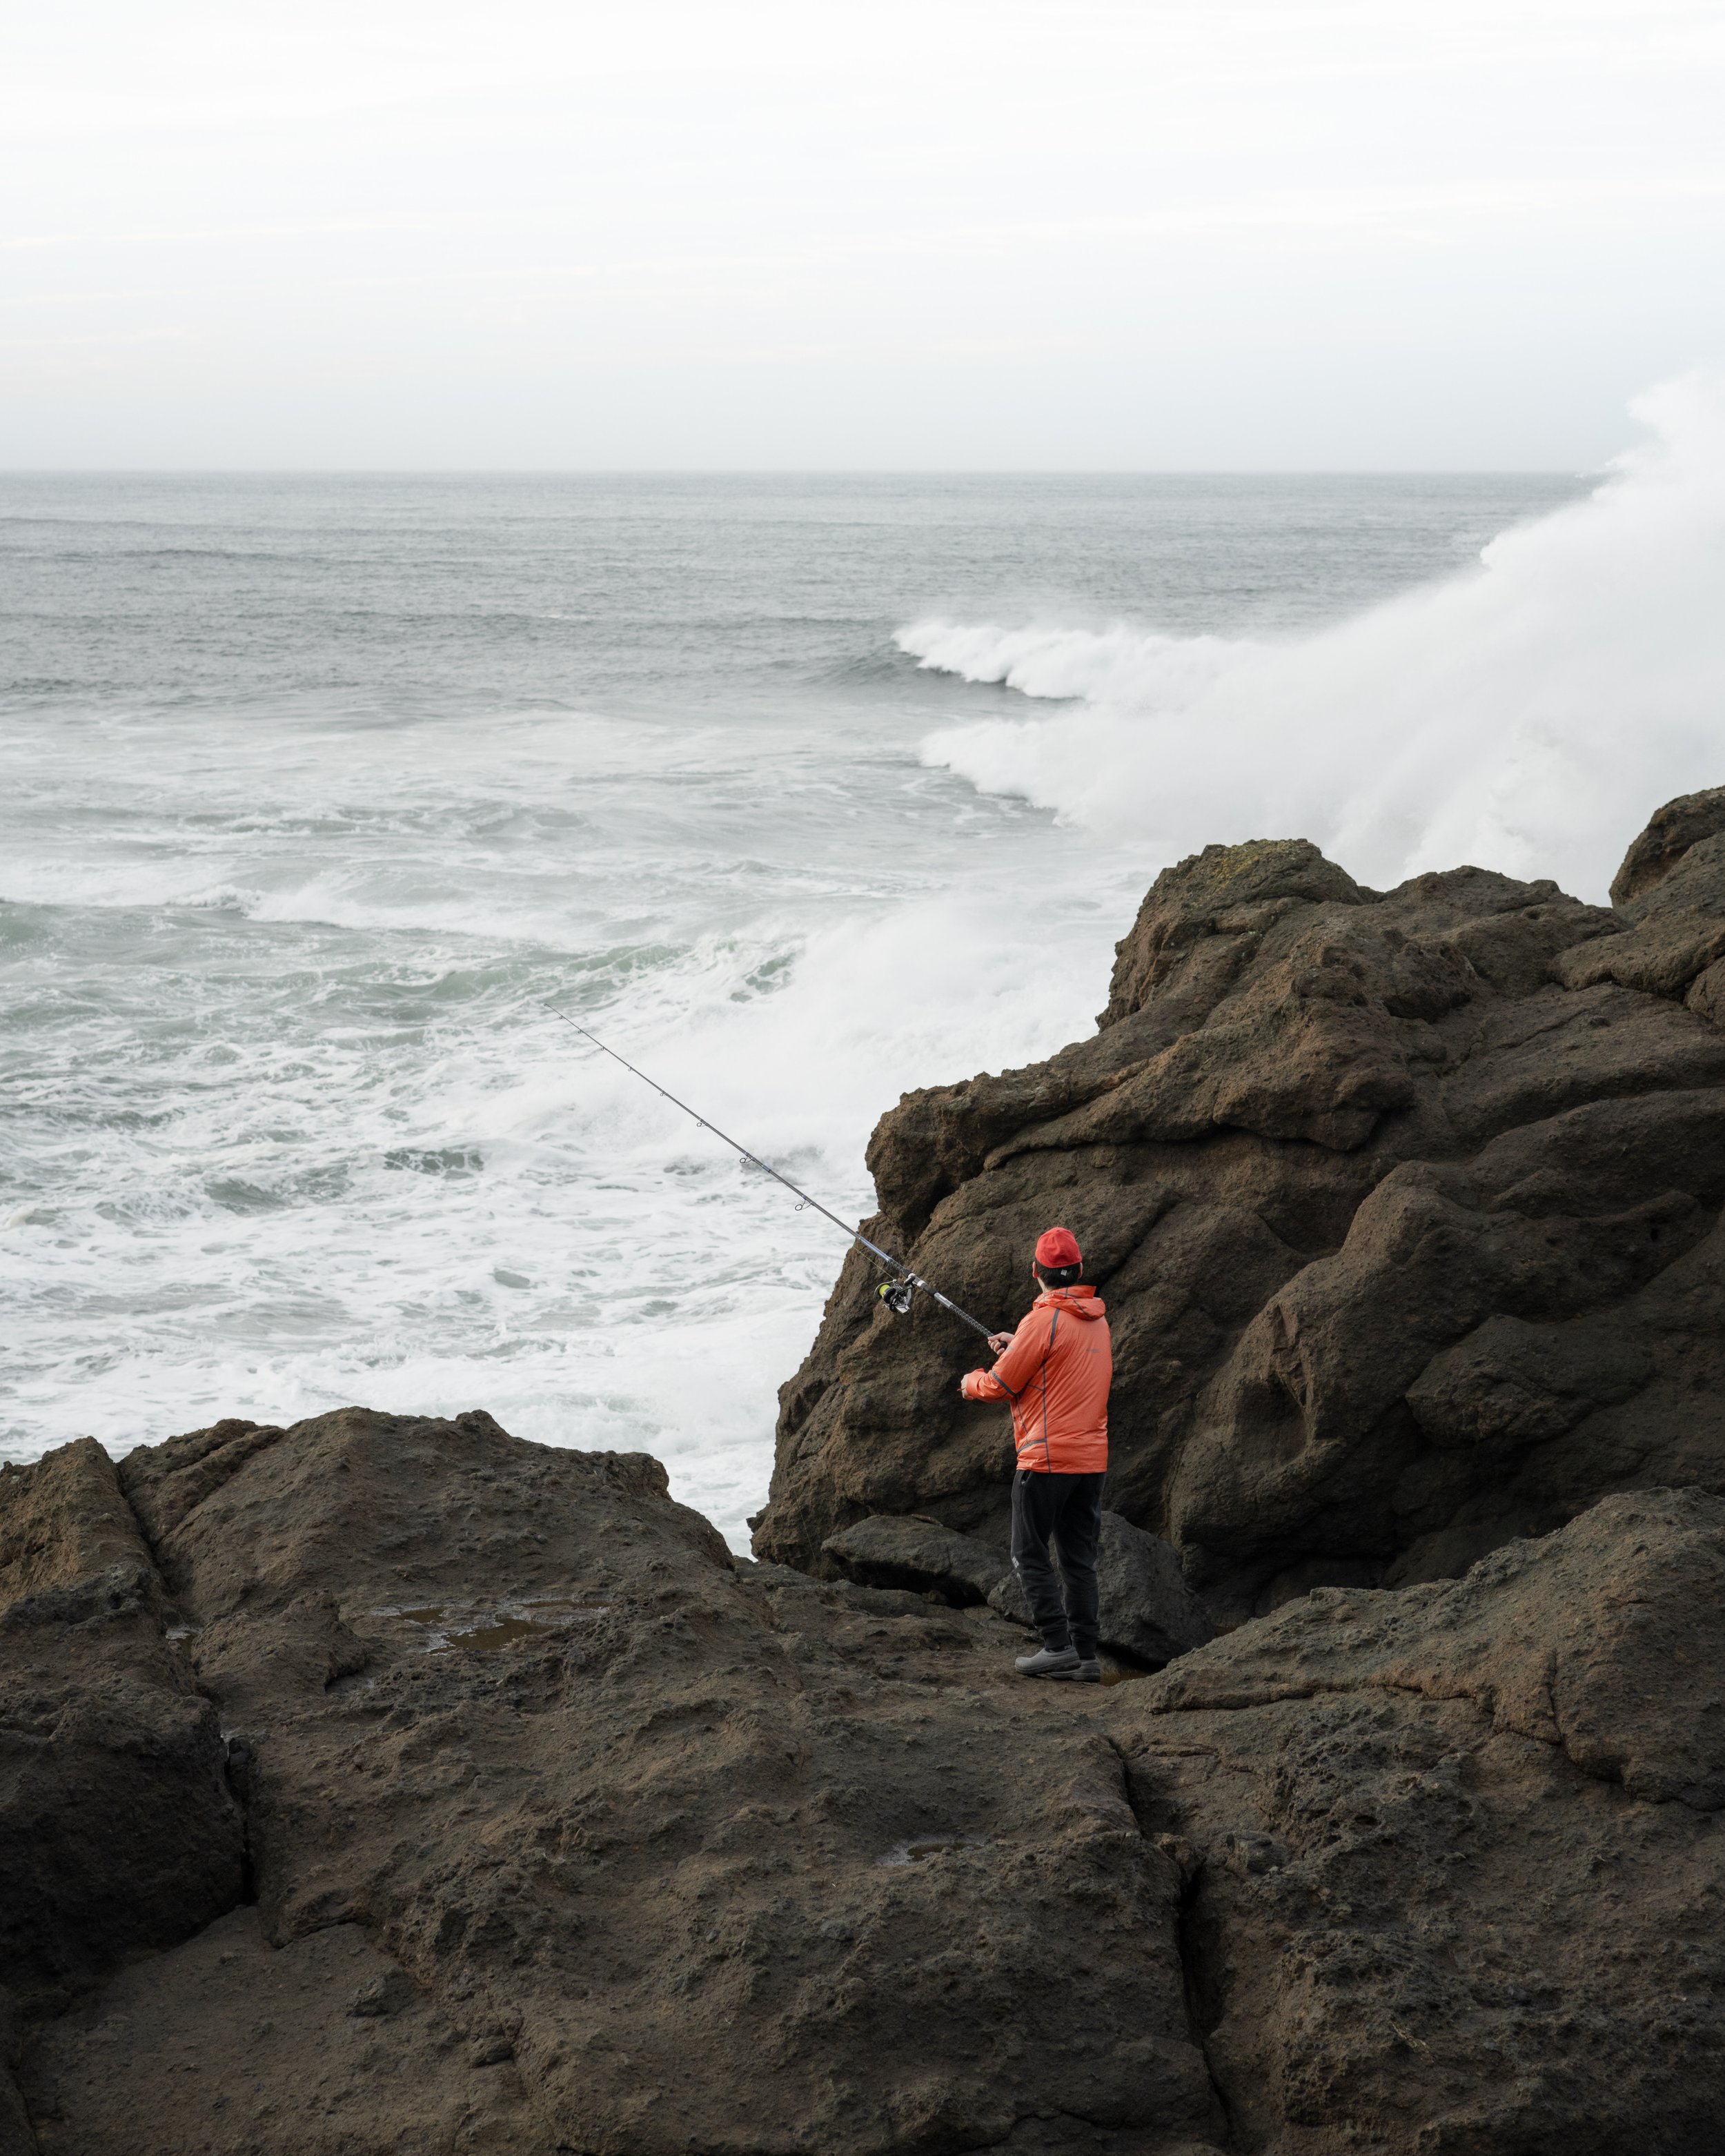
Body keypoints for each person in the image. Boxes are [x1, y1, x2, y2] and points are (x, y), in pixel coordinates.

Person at [959, 1226, 1111, 1682]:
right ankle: (1085, 1656)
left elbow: (998, 1386)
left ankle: (1056, 1645)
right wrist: (1018, 1346)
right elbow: (1058, 1368)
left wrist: (969, 1381)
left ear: (1036, 1273)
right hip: (1091, 1460)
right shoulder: (1097, 1319)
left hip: (1045, 1460)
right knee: (1078, 1560)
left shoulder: (1041, 1321)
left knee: (1028, 1553)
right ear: (1080, 1270)